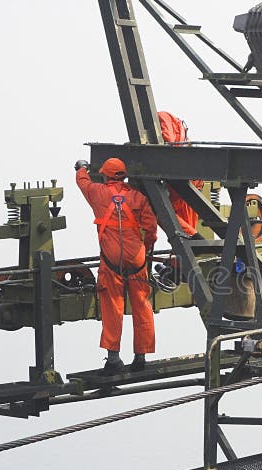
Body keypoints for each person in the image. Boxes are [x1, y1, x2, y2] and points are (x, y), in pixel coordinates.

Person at [75, 157, 157, 374]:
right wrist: (146, 250)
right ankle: (141, 356)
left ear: (106, 175)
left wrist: (81, 168)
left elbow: (82, 183)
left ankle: (113, 359)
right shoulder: (138, 197)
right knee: (142, 305)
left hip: (112, 260)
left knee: (113, 306)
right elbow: (150, 229)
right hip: (137, 259)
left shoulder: (98, 193)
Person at [157, 111, 205, 239]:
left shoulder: (162, 116)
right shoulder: (170, 122)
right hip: (182, 181)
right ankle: (193, 239)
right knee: (173, 218)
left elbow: (169, 141)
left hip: (183, 177)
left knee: (159, 210)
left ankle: (194, 238)